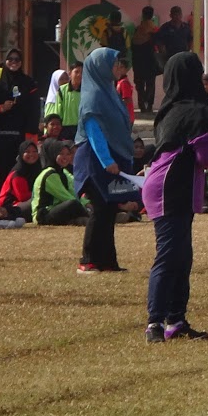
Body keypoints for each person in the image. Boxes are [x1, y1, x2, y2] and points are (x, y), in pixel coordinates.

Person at [142, 51, 208, 342]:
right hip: (170, 186)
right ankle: (155, 323)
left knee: (181, 255)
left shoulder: (169, 108)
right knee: (170, 254)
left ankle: (175, 320)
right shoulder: (196, 111)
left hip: (168, 182)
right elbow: (206, 157)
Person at [72, 47, 135, 274]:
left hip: (109, 158)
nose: (118, 68)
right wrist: (107, 159)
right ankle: (87, 260)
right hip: (94, 159)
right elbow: (93, 130)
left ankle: (107, 262)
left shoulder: (109, 90)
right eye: (114, 64)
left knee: (109, 208)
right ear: (101, 67)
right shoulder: (93, 96)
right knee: (100, 208)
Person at [0, 49, 36, 176]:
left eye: (17, 59)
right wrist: (1, 108)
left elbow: (34, 110)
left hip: (22, 135)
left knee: (21, 171)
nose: (14, 62)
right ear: (5, 61)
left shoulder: (28, 83)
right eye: (10, 59)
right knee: (2, 171)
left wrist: (31, 134)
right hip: (2, 136)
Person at [32, 139, 88, 226]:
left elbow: (73, 190)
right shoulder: (50, 174)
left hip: (56, 209)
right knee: (73, 203)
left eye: (68, 154)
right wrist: (85, 208)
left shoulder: (62, 171)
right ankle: (95, 218)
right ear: (54, 155)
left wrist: (87, 203)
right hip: (43, 215)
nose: (65, 157)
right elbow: (65, 196)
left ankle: (85, 219)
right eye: (61, 154)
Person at [0, 139, 40, 225]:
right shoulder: (18, 172)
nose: (31, 154)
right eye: (27, 152)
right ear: (21, 153)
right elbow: (22, 197)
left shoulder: (37, 168)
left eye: (34, 151)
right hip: (10, 206)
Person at [130, 6, 161, 113]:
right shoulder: (155, 29)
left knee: (139, 83)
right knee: (150, 83)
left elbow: (133, 45)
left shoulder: (138, 29)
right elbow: (158, 45)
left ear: (143, 15)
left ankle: (142, 105)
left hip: (138, 60)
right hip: (150, 60)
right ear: (152, 15)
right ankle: (150, 106)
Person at [45, 63, 82, 130]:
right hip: (65, 129)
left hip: (81, 129)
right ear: (70, 73)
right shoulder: (61, 91)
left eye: (82, 73)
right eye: (76, 72)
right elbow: (58, 113)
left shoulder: (86, 90)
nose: (79, 75)